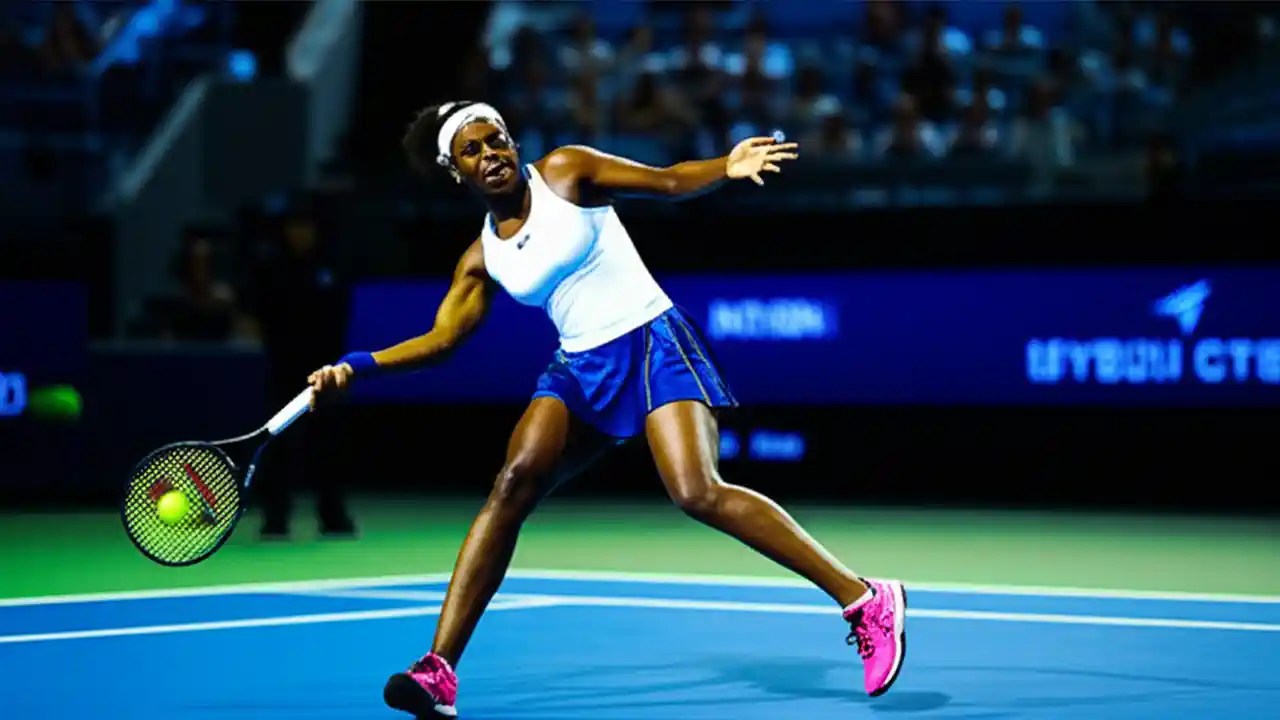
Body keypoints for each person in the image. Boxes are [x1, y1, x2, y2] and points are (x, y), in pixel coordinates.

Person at [306, 100, 906, 719]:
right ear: (456, 171)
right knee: (513, 482)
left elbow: (666, 181)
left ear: (513, 143)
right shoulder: (481, 257)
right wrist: (358, 365)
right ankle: (439, 672)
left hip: (651, 341)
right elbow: (443, 340)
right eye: (473, 151)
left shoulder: (566, 171)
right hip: (579, 368)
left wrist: (725, 166)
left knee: (696, 491)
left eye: (497, 140)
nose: (491, 156)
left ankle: (864, 599)